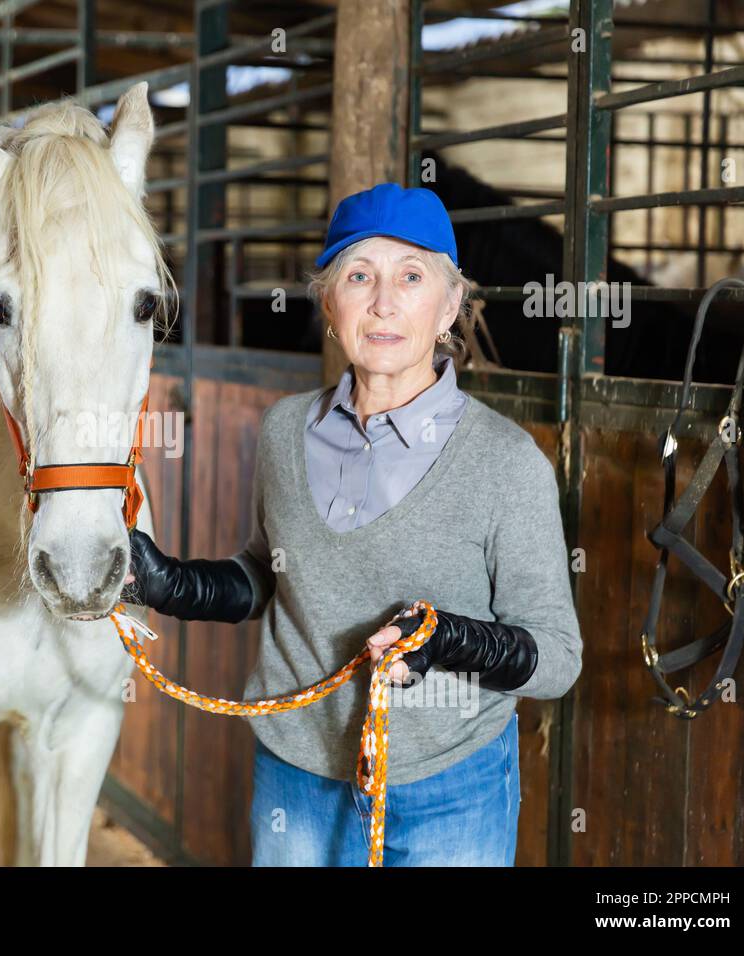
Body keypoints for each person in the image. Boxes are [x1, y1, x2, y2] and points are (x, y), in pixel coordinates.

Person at [124, 183, 582, 866]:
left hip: (450, 788)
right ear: (329, 302)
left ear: (450, 304)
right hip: (296, 774)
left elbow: (557, 658)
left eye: (412, 276)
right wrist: (171, 584)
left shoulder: (507, 463)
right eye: (359, 275)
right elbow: (270, 574)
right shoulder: (284, 431)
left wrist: (452, 640)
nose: (385, 302)